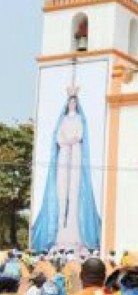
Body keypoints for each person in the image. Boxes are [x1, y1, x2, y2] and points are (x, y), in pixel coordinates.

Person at [31, 91, 102, 251]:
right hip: (64, 151)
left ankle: (75, 230)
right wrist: (65, 141)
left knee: (75, 189)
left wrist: (73, 140)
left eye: (74, 102)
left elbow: (80, 134)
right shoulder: (62, 120)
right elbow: (58, 136)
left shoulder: (79, 119)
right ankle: (59, 229)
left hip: (75, 150)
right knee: (61, 188)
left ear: (77, 104)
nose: (72, 105)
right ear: (67, 104)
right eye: (70, 102)